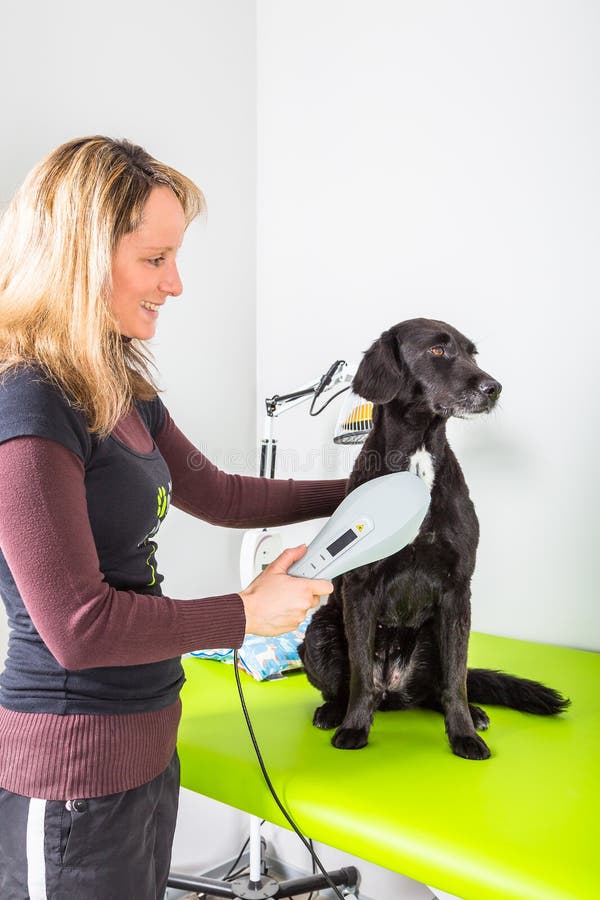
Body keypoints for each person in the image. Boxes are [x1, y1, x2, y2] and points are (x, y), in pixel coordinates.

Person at [0, 136, 347, 900]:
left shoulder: (118, 385)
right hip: (73, 774)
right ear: (79, 258)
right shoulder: (29, 400)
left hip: (148, 745)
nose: (175, 283)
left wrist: (359, 489)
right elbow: (78, 627)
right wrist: (246, 613)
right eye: (155, 259)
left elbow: (222, 495)